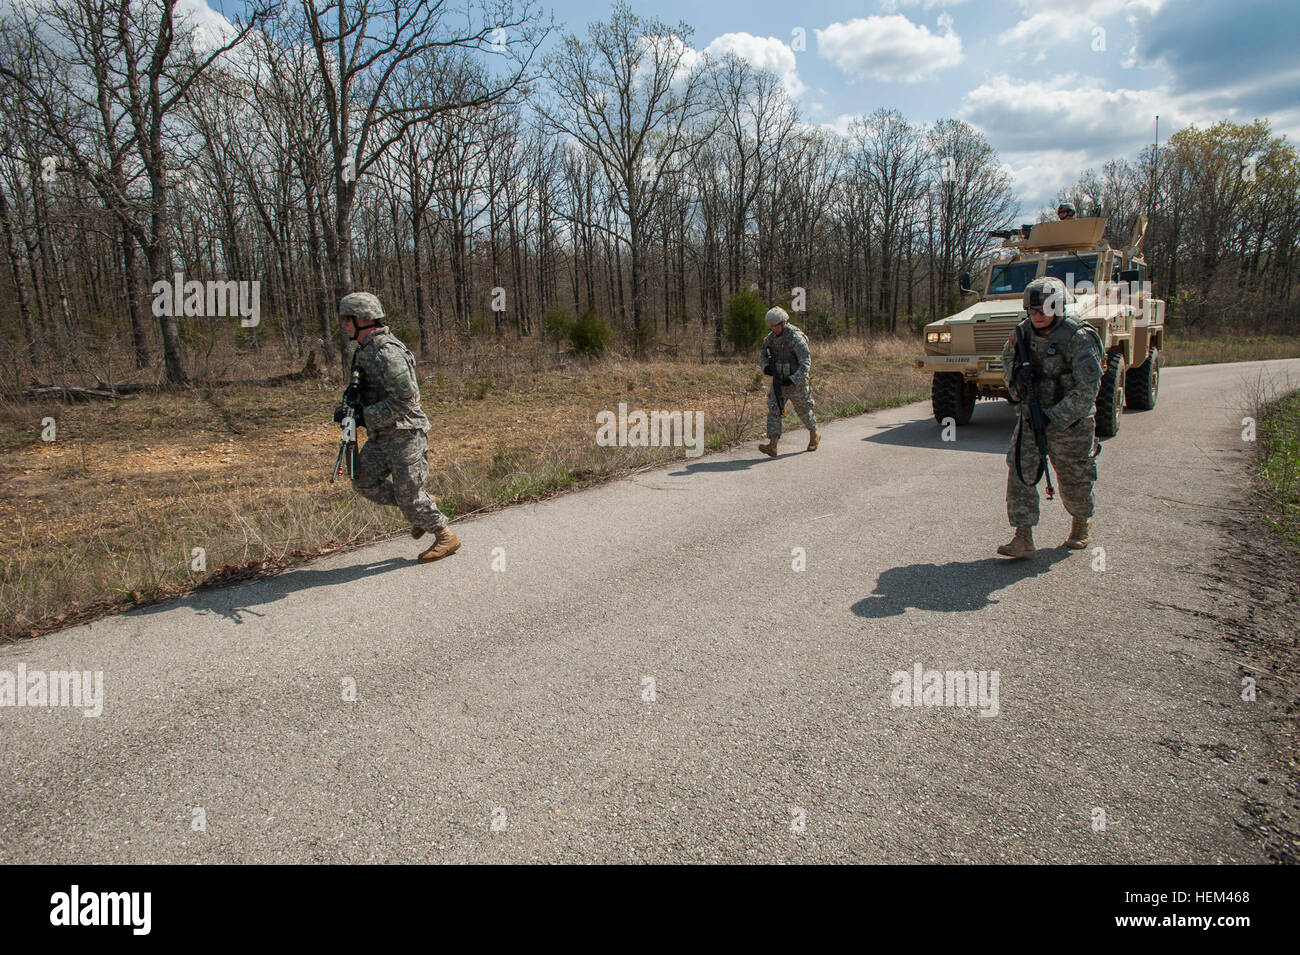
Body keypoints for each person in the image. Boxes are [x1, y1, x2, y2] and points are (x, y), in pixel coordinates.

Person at [335, 292, 460, 563]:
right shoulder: (364, 351)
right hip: (382, 435)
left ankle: (445, 535)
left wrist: (365, 417)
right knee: (361, 479)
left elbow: (406, 399)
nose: (343, 325)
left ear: (362, 319)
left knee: (410, 497)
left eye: (347, 319)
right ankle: (419, 503)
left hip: (405, 434)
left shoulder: (387, 352)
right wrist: (350, 410)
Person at [996, 277, 1103, 559]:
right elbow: (1007, 362)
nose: (1037, 316)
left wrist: (1055, 416)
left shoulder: (1078, 336)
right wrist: (1017, 379)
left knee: (1074, 477)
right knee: (1020, 472)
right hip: (1031, 416)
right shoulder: (1021, 334)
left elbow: (1088, 388)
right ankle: (1023, 537)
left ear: (1059, 306)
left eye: (1043, 309)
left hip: (1071, 422)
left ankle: (1081, 523)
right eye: (1032, 311)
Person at [757, 306, 819, 456]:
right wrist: (766, 367)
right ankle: (772, 445)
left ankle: (814, 434)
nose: (773, 329)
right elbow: (763, 355)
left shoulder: (796, 338)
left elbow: (806, 363)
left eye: (775, 326)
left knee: (803, 410)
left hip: (796, 383)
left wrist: (793, 379)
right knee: (774, 409)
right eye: (770, 326)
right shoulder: (770, 338)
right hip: (779, 381)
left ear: (783, 322)